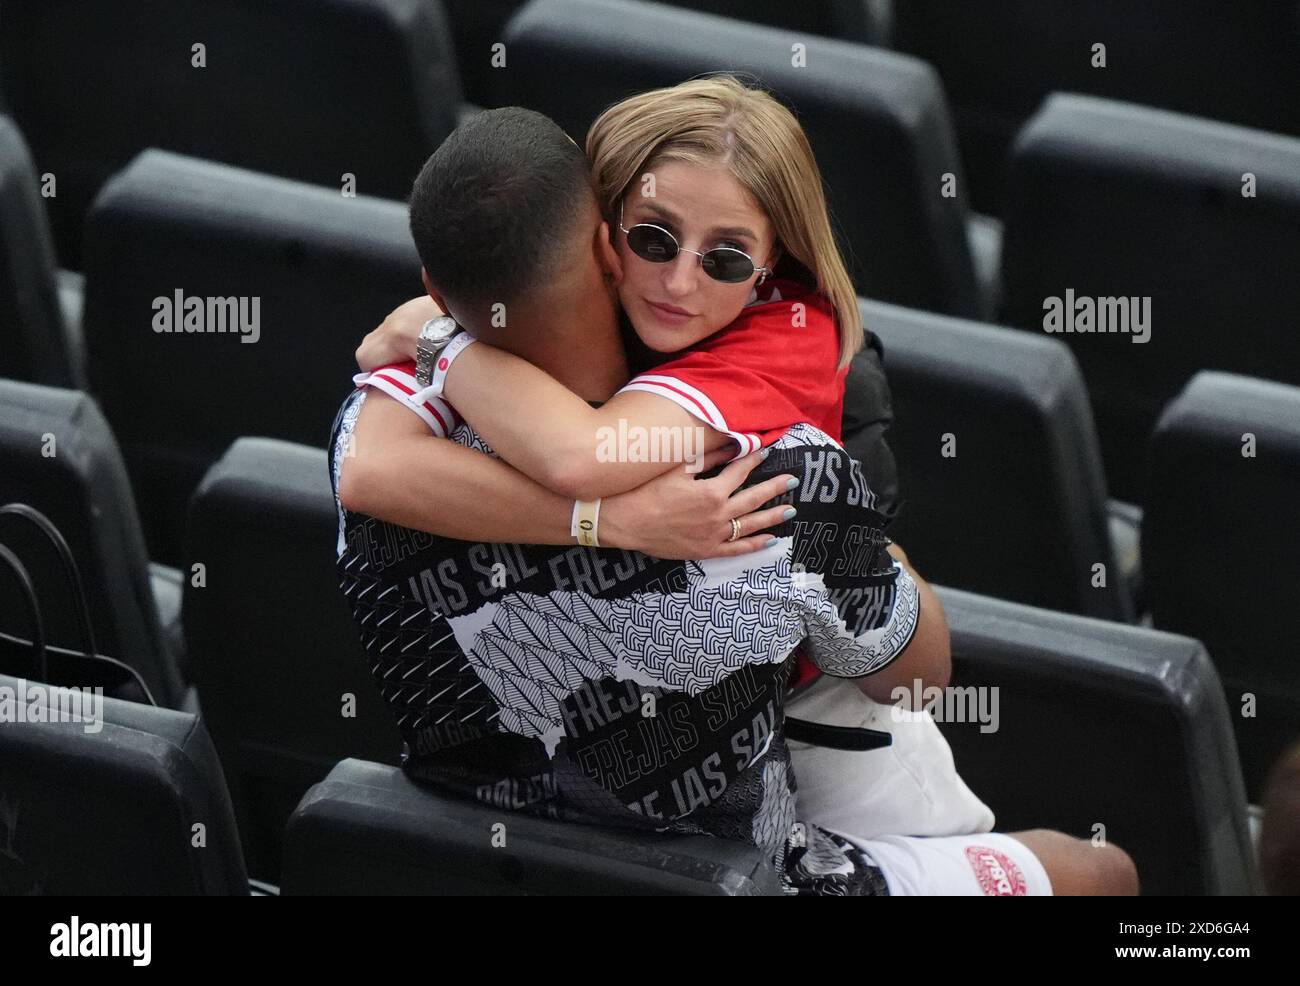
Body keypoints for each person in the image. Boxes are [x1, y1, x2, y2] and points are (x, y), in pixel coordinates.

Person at [337, 85, 1137, 894]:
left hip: (810, 708)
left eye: (725, 258)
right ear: (605, 235)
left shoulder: (408, 400)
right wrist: (615, 522)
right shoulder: (780, 488)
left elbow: (537, 457)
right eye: (654, 238)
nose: (680, 282)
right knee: (1098, 874)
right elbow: (421, 471)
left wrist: (442, 339)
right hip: (741, 844)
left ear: (771, 263)